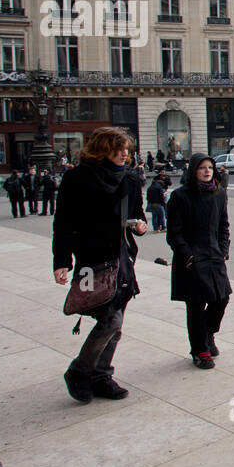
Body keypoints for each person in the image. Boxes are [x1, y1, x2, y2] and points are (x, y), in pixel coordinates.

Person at [52, 126, 147, 402]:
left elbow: (137, 214)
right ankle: (80, 371)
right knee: (109, 318)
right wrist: (61, 261)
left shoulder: (129, 178)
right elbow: (64, 223)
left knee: (117, 321)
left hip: (120, 257)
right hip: (90, 258)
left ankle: (101, 374)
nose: (125, 154)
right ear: (103, 149)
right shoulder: (77, 178)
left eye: (127, 149)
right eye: (119, 149)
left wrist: (139, 226)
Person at [166, 155, 231, 369]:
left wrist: (223, 249)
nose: (207, 171)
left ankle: (208, 334)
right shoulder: (180, 196)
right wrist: (188, 255)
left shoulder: (219, 194)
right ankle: (200, 350)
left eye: (210, 167)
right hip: (192, 259)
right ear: (194, 170)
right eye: (202, 168)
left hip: (214, 256)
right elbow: (174, 233)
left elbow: (223, 225)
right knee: (195, 306)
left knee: (221, 299)